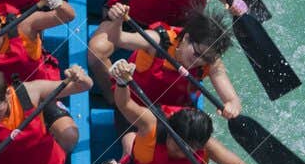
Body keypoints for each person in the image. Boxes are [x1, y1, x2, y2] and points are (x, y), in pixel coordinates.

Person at [110, 72, 251, 164]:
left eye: (189, 150)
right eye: (178, 147)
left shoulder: (204, 143)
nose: (182, 153)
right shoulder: (151, 124)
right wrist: (121, 82)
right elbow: (125, 104)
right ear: (170, 134)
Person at [88, 8, 240, 116]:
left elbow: (233, 100)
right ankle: (113, 101)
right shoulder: (157, 40)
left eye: (206, 58)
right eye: (197, 53)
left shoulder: (211, 61)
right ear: (186, 38)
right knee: (130, 144)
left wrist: (232, 107)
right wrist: (118, 21)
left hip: (171, 116)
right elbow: (118, 39)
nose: (199, 61)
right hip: (134, 108)